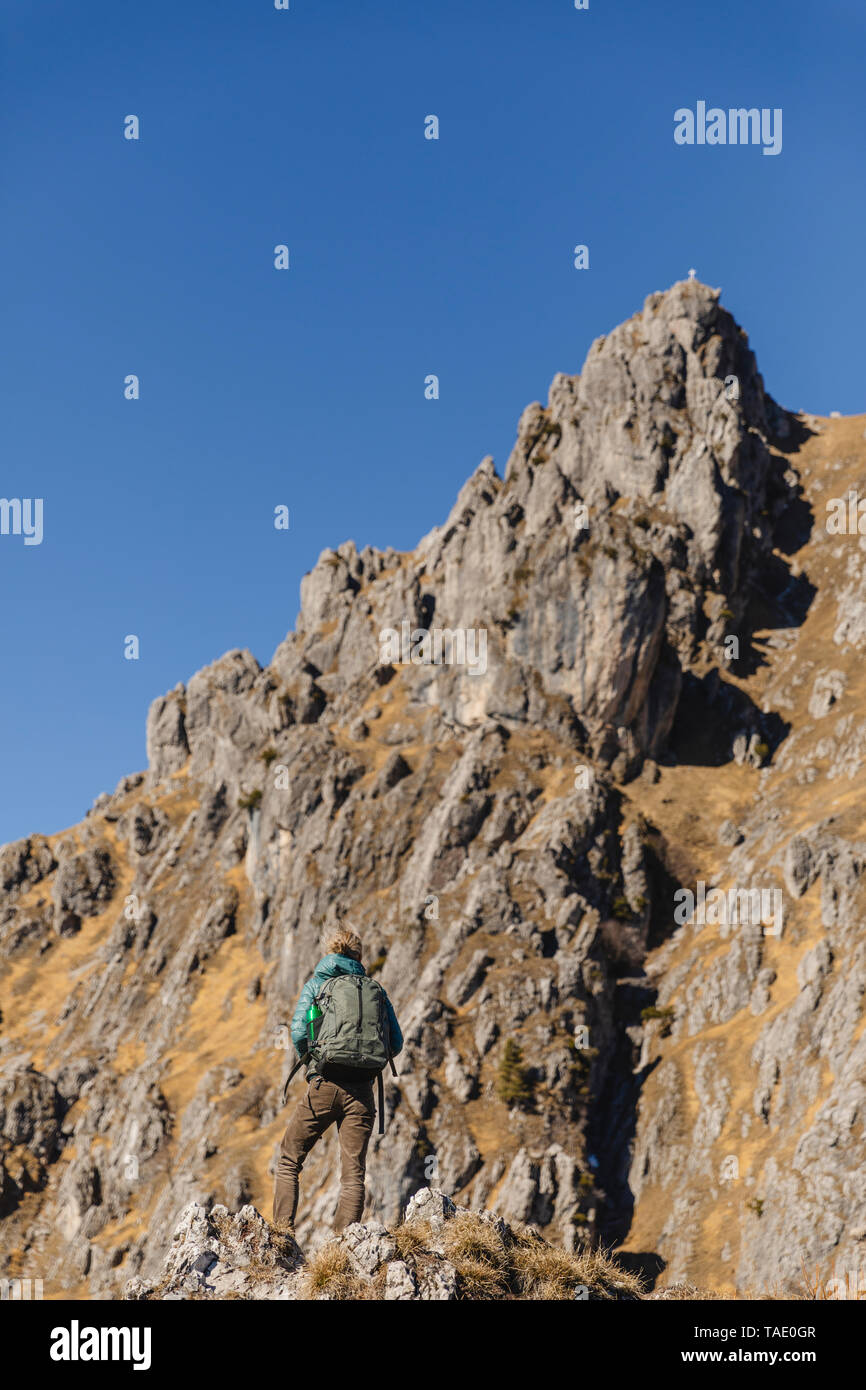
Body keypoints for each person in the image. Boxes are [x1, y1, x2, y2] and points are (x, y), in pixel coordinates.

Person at [273, 928, 403, 1233]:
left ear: (330, 952)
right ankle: (341, 1253)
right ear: (359, 956)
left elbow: (298, 1033)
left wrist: (316, 1058)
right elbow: (395, 1043)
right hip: (361, 1092)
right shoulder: (376, 990)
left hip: (324, 1084)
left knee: (290, 1159)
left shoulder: (318, 984)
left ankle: (281, 1236)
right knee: (353, 1175)